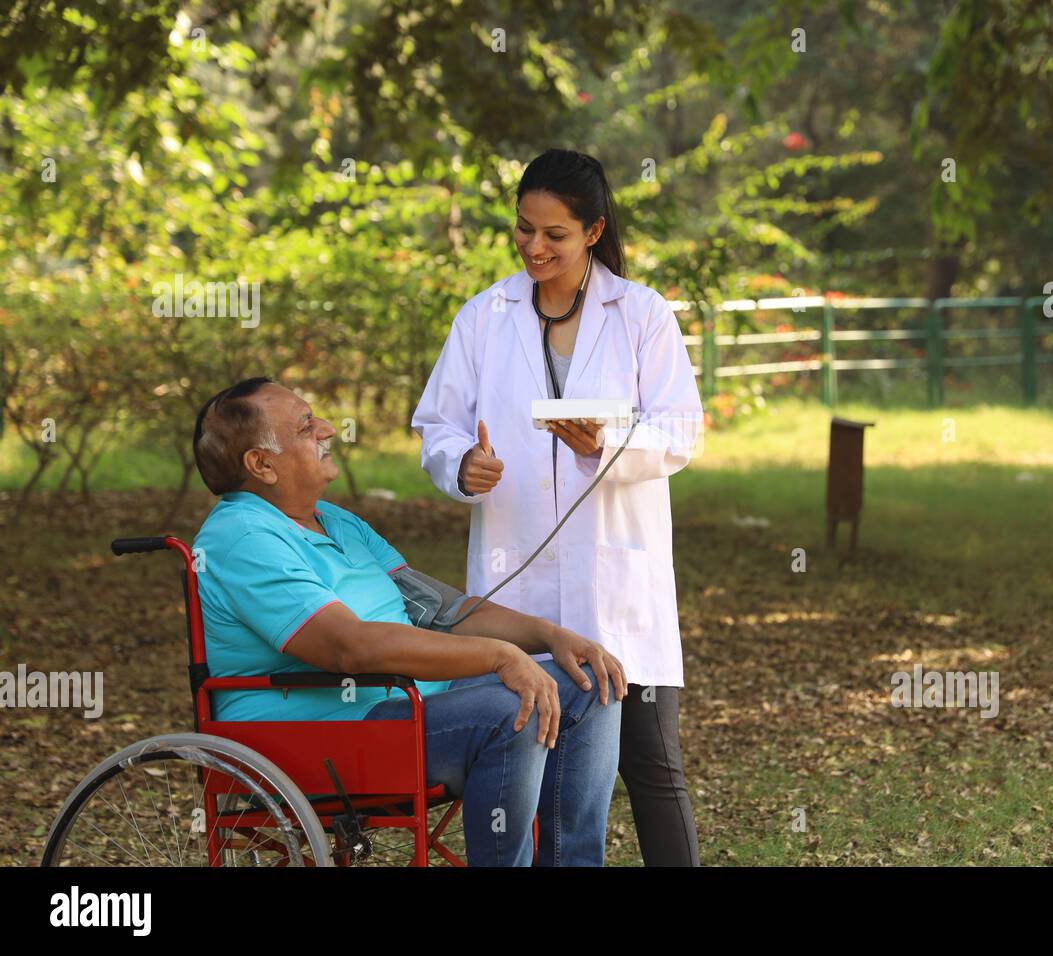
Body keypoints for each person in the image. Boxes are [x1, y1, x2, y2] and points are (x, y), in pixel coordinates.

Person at [191, 376, 626, 866]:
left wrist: (549, 635)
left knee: (590, 688)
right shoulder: (242, 537)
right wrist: (501, 657)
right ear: (261, 464)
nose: (329, 429)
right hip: (319, 732)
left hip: (402, 706)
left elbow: (441, 611)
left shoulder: (333, 520)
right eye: (306, 425)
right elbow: (346, 647)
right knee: (513, 709)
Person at [411, 148, 704, 866]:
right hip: (517, 584)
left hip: (616, 591)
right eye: (523, 230)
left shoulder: (640, 316)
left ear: (594, 231)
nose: (535, 248)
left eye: (555, 234)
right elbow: (437, 428)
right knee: (530, 775)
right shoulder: (484, 317)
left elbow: (681, 430)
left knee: (653, 772)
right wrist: (462, 466)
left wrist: (605, 443)